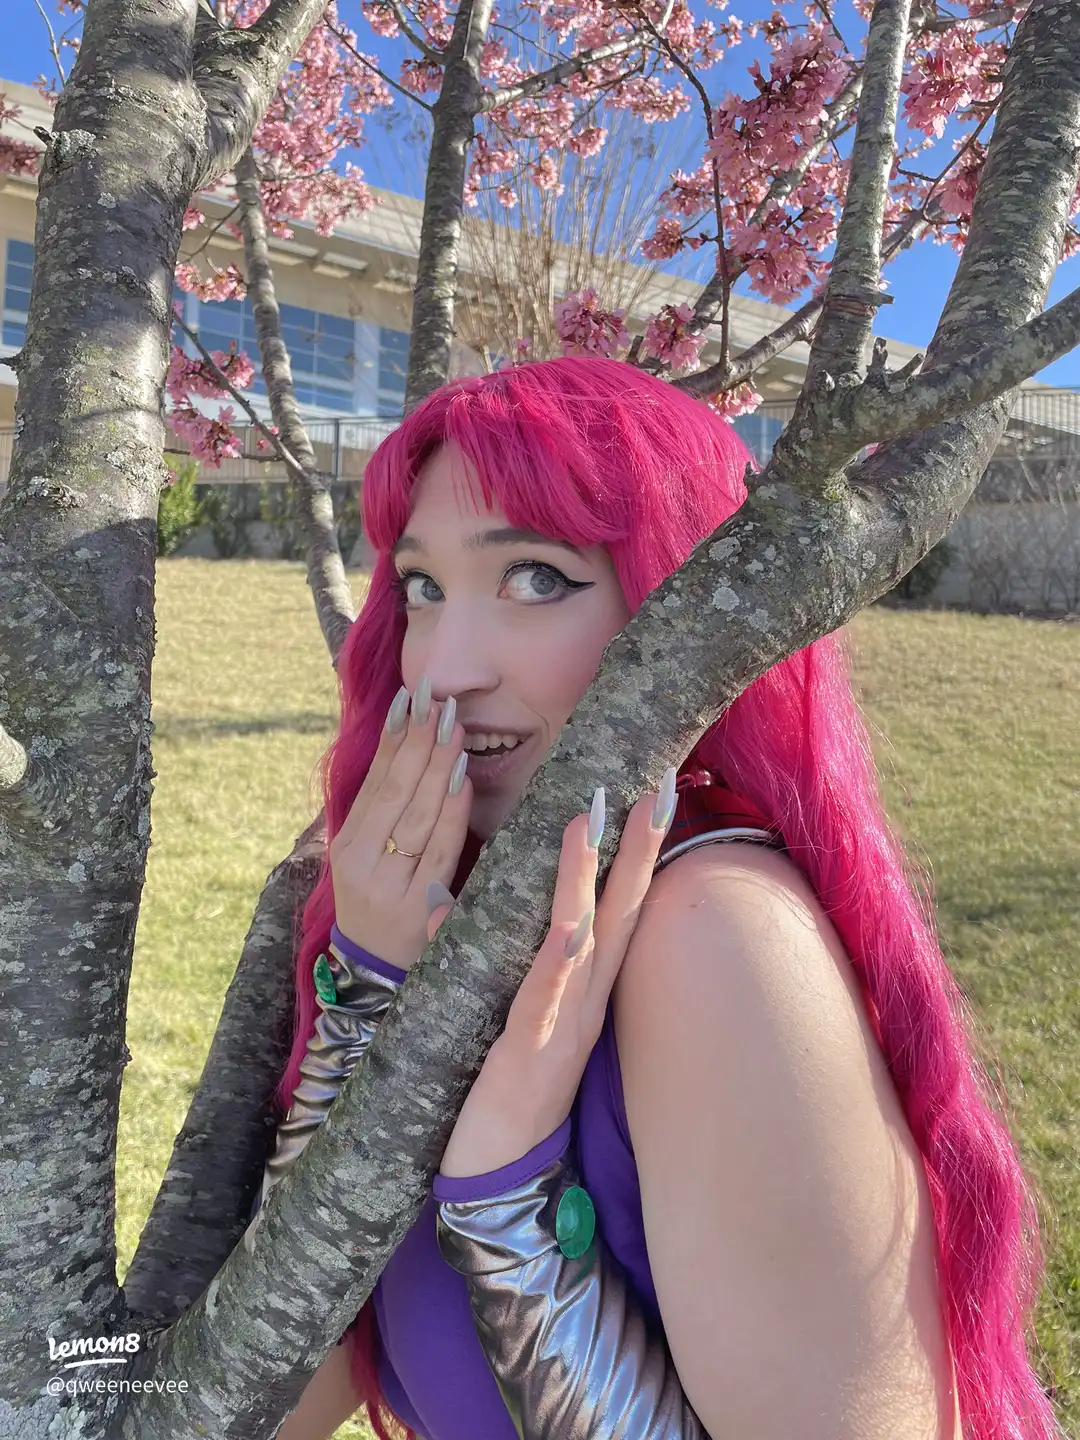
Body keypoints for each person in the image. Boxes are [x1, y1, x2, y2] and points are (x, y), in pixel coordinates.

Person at [250, 356, 1060, 1440]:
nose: (441, 668)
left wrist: (508, 1212)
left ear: (684, 610)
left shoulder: (713, 935)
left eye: (536, 578)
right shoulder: (460, 911)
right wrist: (366, 996)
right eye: (422, 588)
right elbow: (267, 1401)